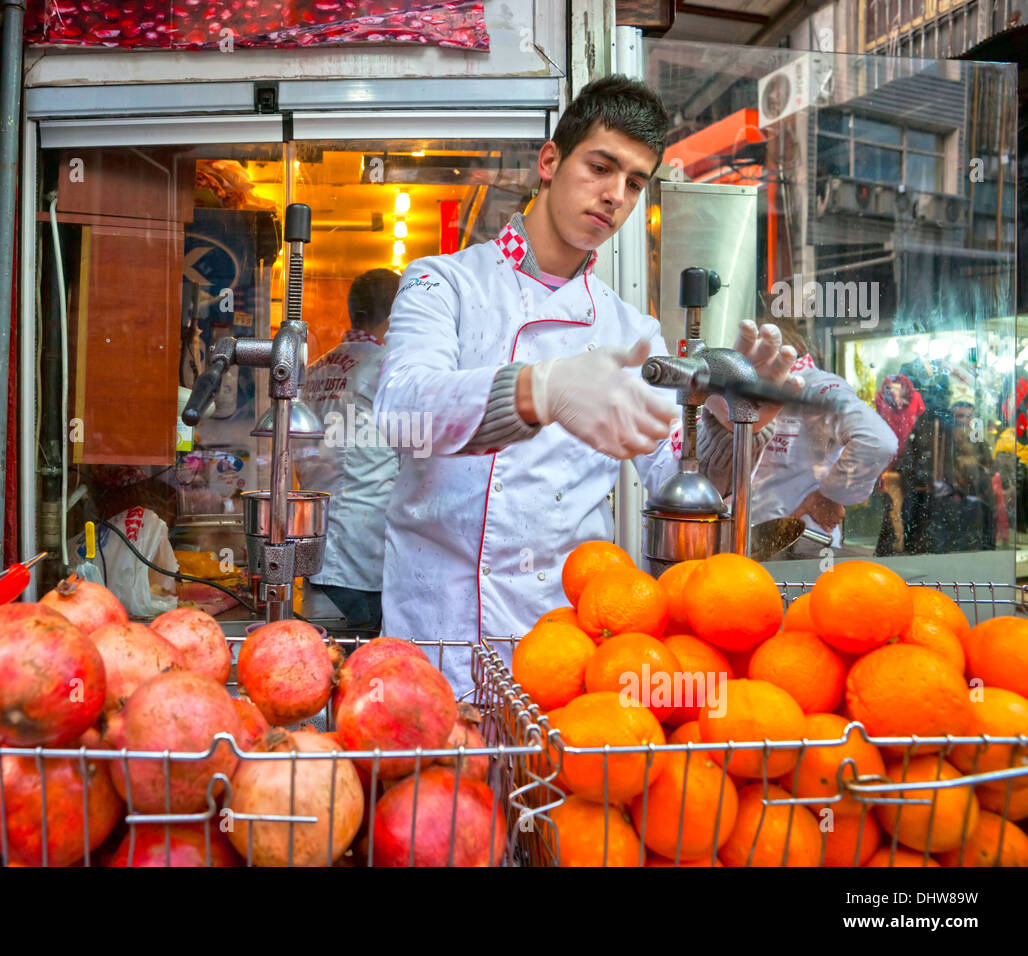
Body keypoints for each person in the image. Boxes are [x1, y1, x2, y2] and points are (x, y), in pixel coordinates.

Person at [373, 75, 799, 692]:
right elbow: (400, 409)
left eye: (633, 183)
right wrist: (540, 389)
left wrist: (738, 428)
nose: (615, 197)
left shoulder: (633, 332)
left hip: (570, 645)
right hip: (432, 636)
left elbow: (678, 477)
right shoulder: (443, 284)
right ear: (550, 161)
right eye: (600, 167)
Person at [293, 269, 402, 631]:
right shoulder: (388, 371)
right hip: (366, 558)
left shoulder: (314, 372)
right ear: (395, 316)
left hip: (315, 550)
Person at [748, 318, 897, 554]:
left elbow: (877, 441)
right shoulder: (757, 389)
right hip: (753, 543)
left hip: (802, 548)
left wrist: (830, 495)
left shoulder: (818, 387)